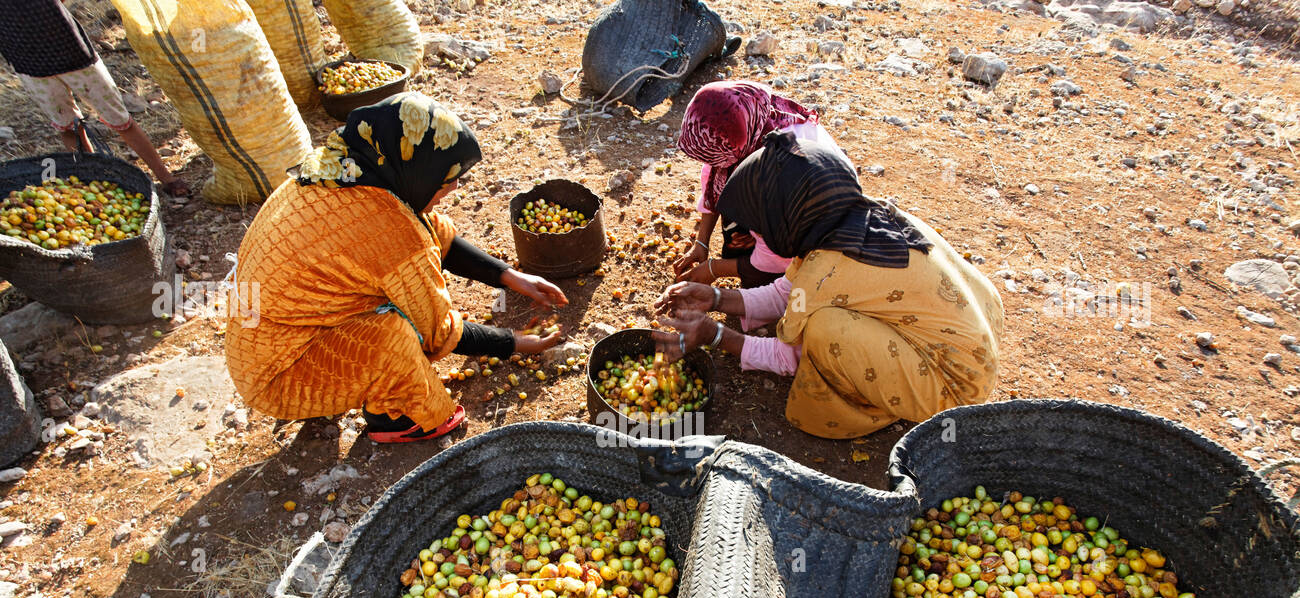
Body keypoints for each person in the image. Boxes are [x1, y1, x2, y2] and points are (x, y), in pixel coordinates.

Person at [225, 93, 568, 443]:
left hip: (261, 338)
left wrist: (509, 276)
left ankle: (334, 380)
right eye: (447, 177)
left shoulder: (341, 170)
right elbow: (438, 329)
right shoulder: (389, 230)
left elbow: (432, 231)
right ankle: (395, 419)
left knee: (394, 302)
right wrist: (514, 343)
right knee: (395, 336)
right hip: (276, 372)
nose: (454, 186)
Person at [654, 132, 1004, 440]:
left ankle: (897, 404)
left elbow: (786, 356)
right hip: (973, 345)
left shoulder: (825, 270)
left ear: (787, 218)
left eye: (763, 224)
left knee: (823, 330)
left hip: (955, 390)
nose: (759, 233)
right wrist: (716, 297)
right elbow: (787, 293)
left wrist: (715, 335)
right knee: (820, 313)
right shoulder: (854, 219)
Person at [0, 0, 189, 196]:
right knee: (67, 124)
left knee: (119, 118)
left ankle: (166, 177)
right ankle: (96, 180)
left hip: (72, 53)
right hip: (30, 66)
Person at [672, 80, 849, 288]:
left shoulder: (785, 164)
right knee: (734, 214)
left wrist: (715, 268)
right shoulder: (745, 125)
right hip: (778, 205)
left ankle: (776, 288)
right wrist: (701, 242)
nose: (713, 164)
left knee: (773, 286)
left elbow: (776, 257)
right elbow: (714, 175)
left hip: (819, 233)